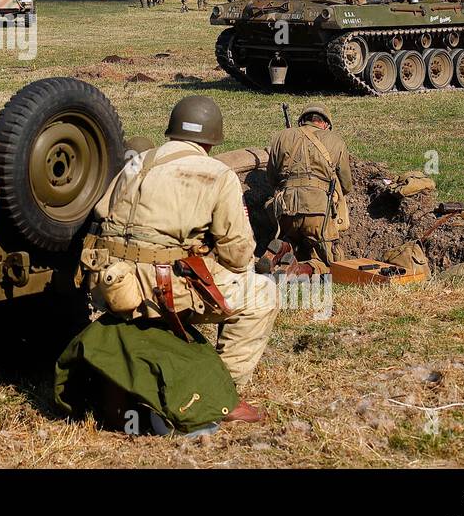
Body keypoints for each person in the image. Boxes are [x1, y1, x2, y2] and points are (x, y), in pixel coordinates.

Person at [85, 95, 279, 417]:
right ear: (212, 140)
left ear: (172, 131)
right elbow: (237, 252)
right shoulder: (217, 174)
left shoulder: (138, 160)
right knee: (261, 294)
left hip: (108, 281)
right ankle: (220, 395)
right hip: (156, 286)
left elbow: (101, 210)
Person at [265, 105, 352, 275]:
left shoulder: (281, 137)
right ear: (326, 124)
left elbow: (272, 178)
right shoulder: (335, 140)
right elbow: (346, 184)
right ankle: (297, 270)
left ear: (302, 120)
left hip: (285, 209)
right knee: (332, 264)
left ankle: (280, 249)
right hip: (318, 211)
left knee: (293, 238)